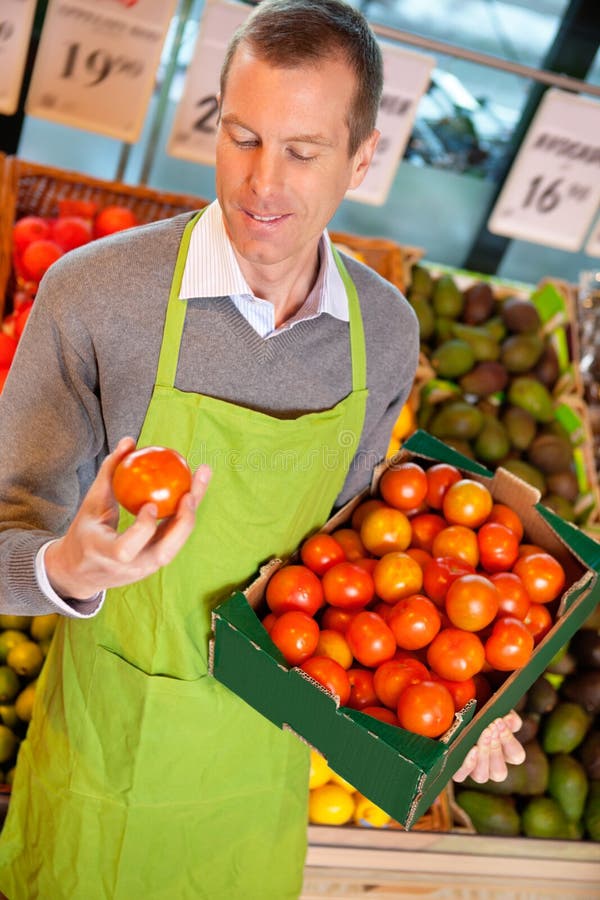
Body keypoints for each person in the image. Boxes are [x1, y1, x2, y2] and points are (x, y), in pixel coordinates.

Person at [0, 1, 524, 897]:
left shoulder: (385, 335)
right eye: (240, 137)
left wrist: (453, 704)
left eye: (303, 151)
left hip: (263, 774)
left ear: (362, 161)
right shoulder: (94, 295)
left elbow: (350, 563)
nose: (261, 183)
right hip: (105, 761)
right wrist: (64, 567)